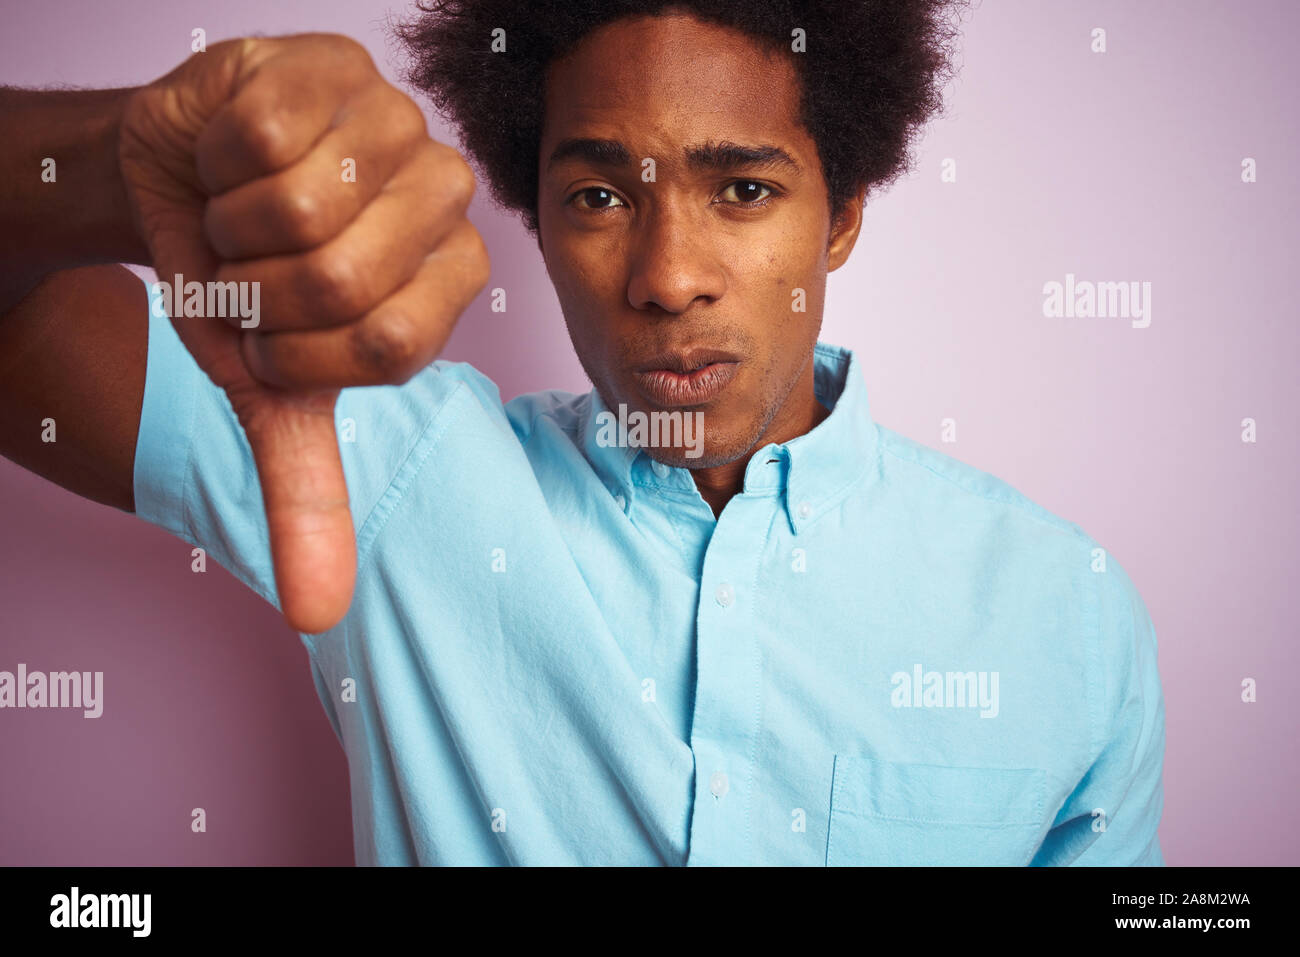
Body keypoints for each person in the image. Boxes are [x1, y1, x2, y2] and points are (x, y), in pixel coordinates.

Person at [0, 0, 1165, 865]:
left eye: (742, 191)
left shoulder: (1065, 611)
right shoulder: (392, 472)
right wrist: (110, 160)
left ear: (842, 215)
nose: (665, 277)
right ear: (540, 221)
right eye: (600, 197)